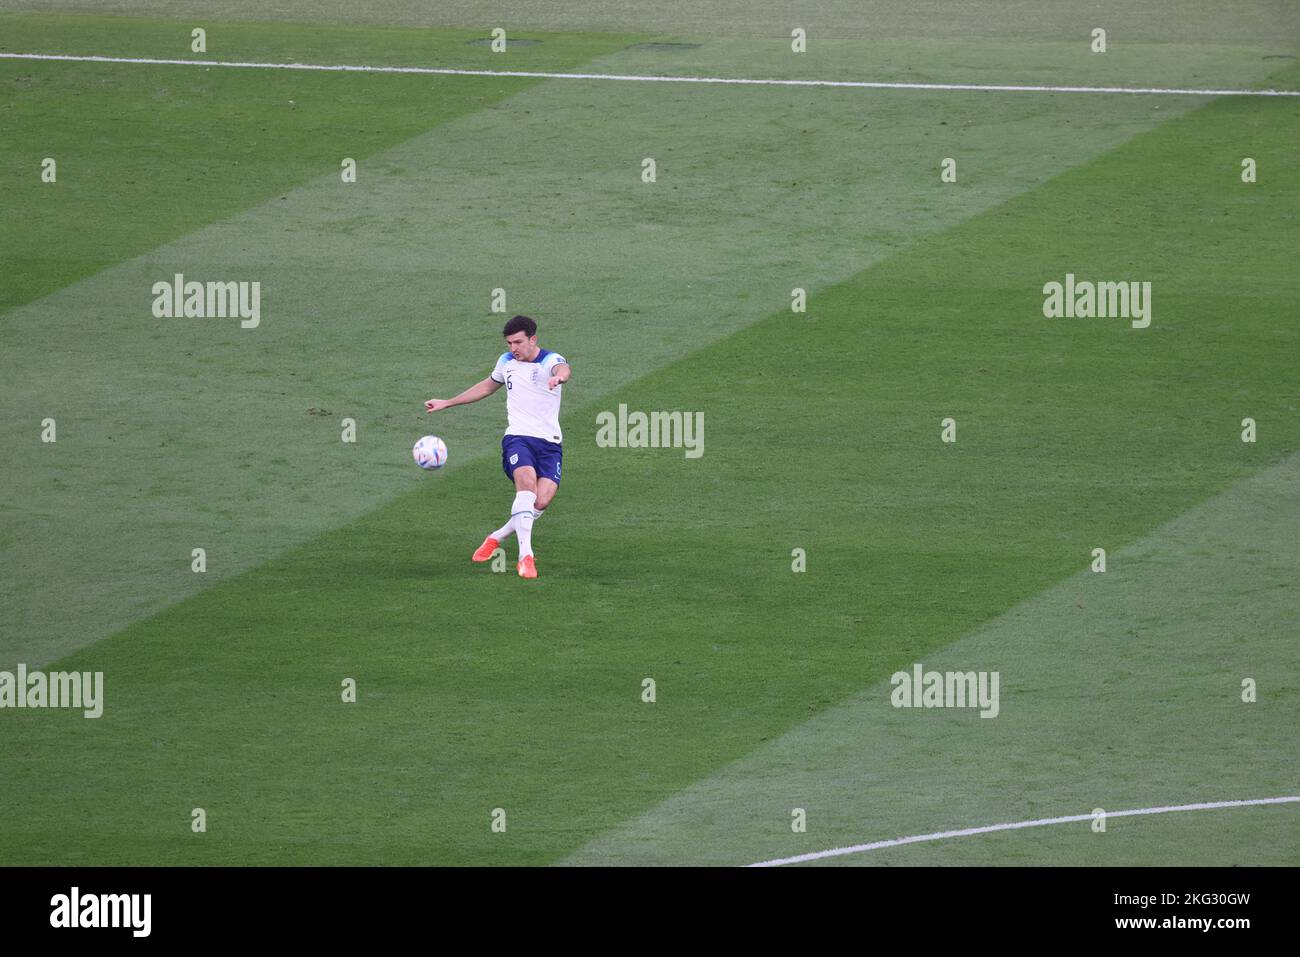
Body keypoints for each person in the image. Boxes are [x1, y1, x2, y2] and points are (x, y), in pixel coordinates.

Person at [424, 315, 570, 578]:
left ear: (532, 339)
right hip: (518, 438)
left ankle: (496, 537)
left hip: (550, 443)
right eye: (509, 343)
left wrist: (558, 379)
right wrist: (448, 402)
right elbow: (486, 387)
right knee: (526, 484)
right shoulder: (506, 363)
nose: (513, 348)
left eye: (518, 342)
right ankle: (526, 557)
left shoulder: (550, 360)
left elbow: (564, 370)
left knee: (542, 501)